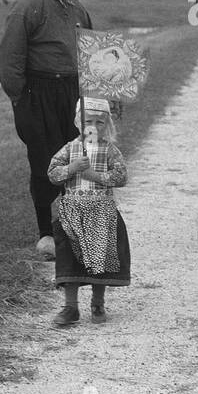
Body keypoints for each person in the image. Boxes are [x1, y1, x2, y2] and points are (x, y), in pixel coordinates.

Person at [0, 0, 94, 259]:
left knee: (75, 157)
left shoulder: (78, 10)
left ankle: (70, 225)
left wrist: (91, 95)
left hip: (72, 93)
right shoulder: (27, 8)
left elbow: (91, 54)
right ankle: (46, 234)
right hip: (37, 94)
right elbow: (9, 61)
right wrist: (21, 101)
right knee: (43, 161)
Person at [47, 97, 131, 326]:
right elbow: (52, 173)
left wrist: (96, 176)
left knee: (99, 260)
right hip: (72, 212)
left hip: (100, 213)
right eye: (88, 122)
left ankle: (97, 302)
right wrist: (72, 168)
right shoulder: (70, 149)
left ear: (108, 125)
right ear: (77, 123)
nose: (93, 127)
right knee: (69, 259)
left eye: (99, 123)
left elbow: (121, 176)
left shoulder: (109, 151)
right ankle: (70, 307)